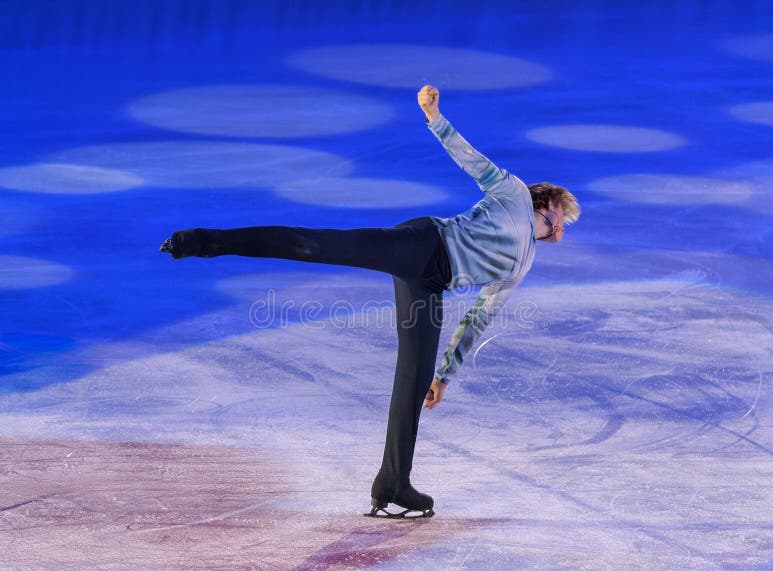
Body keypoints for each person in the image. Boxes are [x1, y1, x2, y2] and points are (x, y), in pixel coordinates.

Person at [159, 84, 580, 519]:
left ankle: (394, 482)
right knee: (321, 245)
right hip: (422, 243)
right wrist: (435, 117)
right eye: (560, 222)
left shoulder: (524, 263)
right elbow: (470, 158)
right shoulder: (511, 192)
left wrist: (445, 375)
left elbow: (479, 316)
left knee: (414, 379)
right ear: (546, 202)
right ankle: (203, 241)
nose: (560, 233)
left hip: (432, 283)